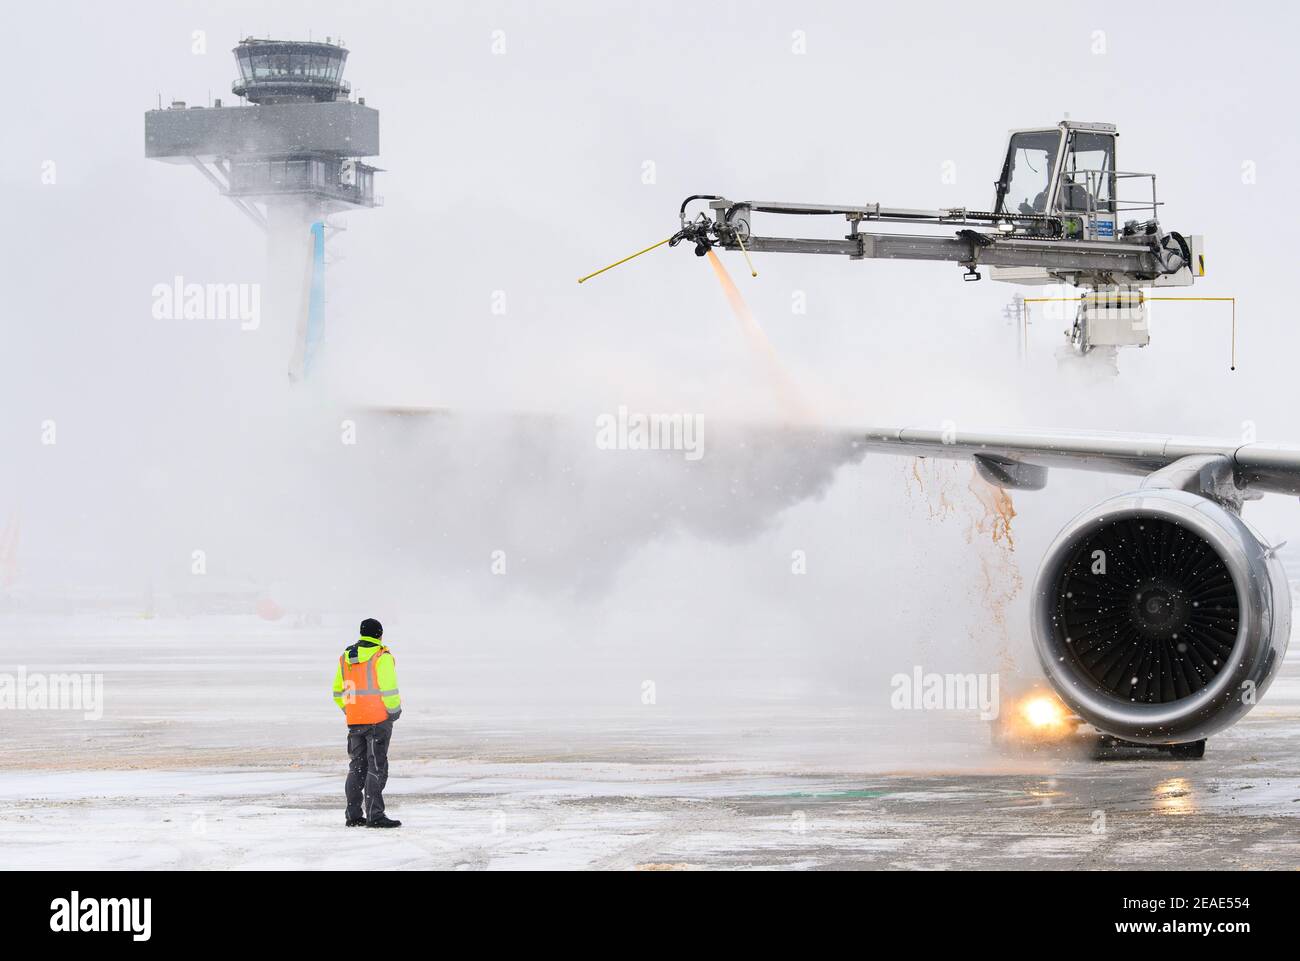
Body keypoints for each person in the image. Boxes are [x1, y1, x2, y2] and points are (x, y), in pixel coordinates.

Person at [331, 617, 402, 828]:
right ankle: (375, 815)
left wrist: (351, 710)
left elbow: (337, 692)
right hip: (378, 720)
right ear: (379, 634)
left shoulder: (346, 657)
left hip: (354, 721)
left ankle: (353, 815)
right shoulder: (381, 656)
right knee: (376, 767)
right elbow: (389, 689)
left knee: (357, 768)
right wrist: (394, 711)